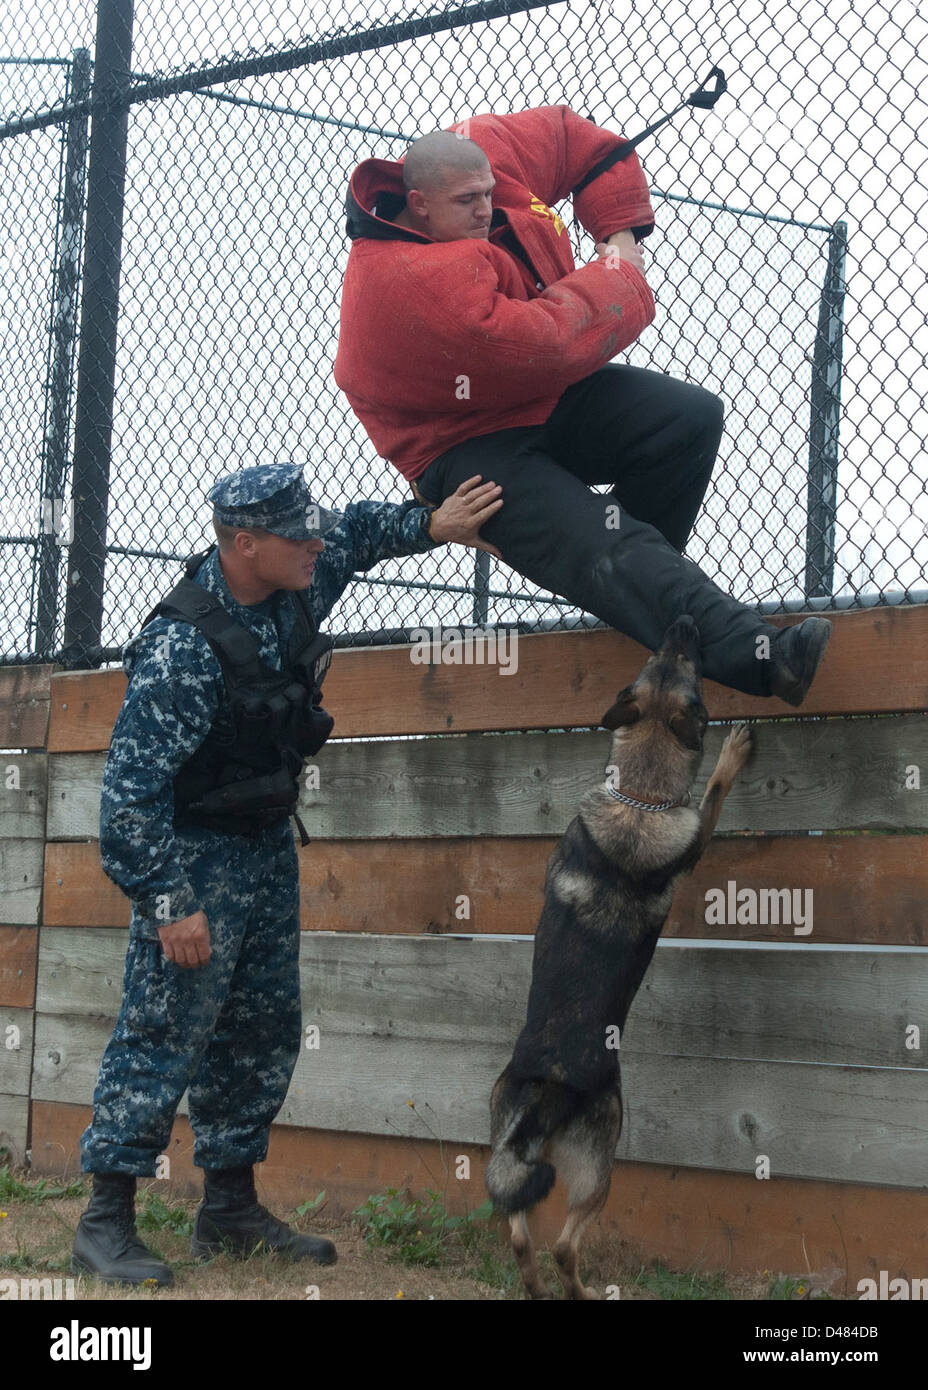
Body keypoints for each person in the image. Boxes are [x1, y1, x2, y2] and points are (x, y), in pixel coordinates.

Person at [72, 462, 502, 1287]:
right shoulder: (183, 650)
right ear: (242, 544)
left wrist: (432, 525)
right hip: (191, 860)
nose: (317, 541)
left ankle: (228, 1208)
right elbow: (126, 803)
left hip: (267, 847)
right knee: (163, 1032)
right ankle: (105, 1219)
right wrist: (171, 904)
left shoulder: (298, 572)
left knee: (262, 1027)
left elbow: (361, 533)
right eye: (298, 533)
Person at [333, 105, 831, 701]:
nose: (486, 209)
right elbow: (551, 343)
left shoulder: (482, 151)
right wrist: (620, 271)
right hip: (463, 446)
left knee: (685, 417)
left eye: (489, 192)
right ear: (419, 204)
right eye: (468, 201)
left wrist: (618, 233)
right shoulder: (404, 279)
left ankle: (641, 602)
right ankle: (765, 659)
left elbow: (586, 145)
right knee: (608, 545)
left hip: (541, 399)